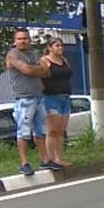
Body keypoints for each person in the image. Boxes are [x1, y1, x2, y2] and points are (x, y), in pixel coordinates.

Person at [5, 28, 58, 175]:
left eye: (25, 38)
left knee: (40, 131)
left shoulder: (33, 54)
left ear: (29, 40)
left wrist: (34, 69)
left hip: (38, 97)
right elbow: (26, 70)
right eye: (19, 39)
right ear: (15, 41)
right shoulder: (12, 55)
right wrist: (38, 69)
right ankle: (24, 163)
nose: (23, 41)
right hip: (24, 98)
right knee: (23, 132)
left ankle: (45, 160)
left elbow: (47, 72)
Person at [40, 38, 73, 167]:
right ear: (50, 47)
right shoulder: (45, 60)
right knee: (52, 130)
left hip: (65, 97)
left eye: (61, 45)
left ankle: (59, 158)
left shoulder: (64, 60)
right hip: (51, 97)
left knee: (61, 130)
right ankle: (51, 159)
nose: (60, 48)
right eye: (57, 45)